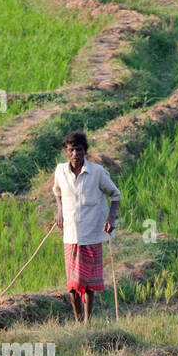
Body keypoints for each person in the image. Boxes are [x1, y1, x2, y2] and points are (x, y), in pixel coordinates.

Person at [52, 131, 121, 322]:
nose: (75, 154)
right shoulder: (60, 172)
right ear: (66, 152)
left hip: (92, 234)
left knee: (90, 285)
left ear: (85, 152)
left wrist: (111, 218)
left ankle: (87, 322)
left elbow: (116, 195)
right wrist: (59, 211)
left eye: (79, 150)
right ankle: (77, 319)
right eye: (71, 150)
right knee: (73, 285)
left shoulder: (97, 172)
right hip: (71, 236)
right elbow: (56, 191)